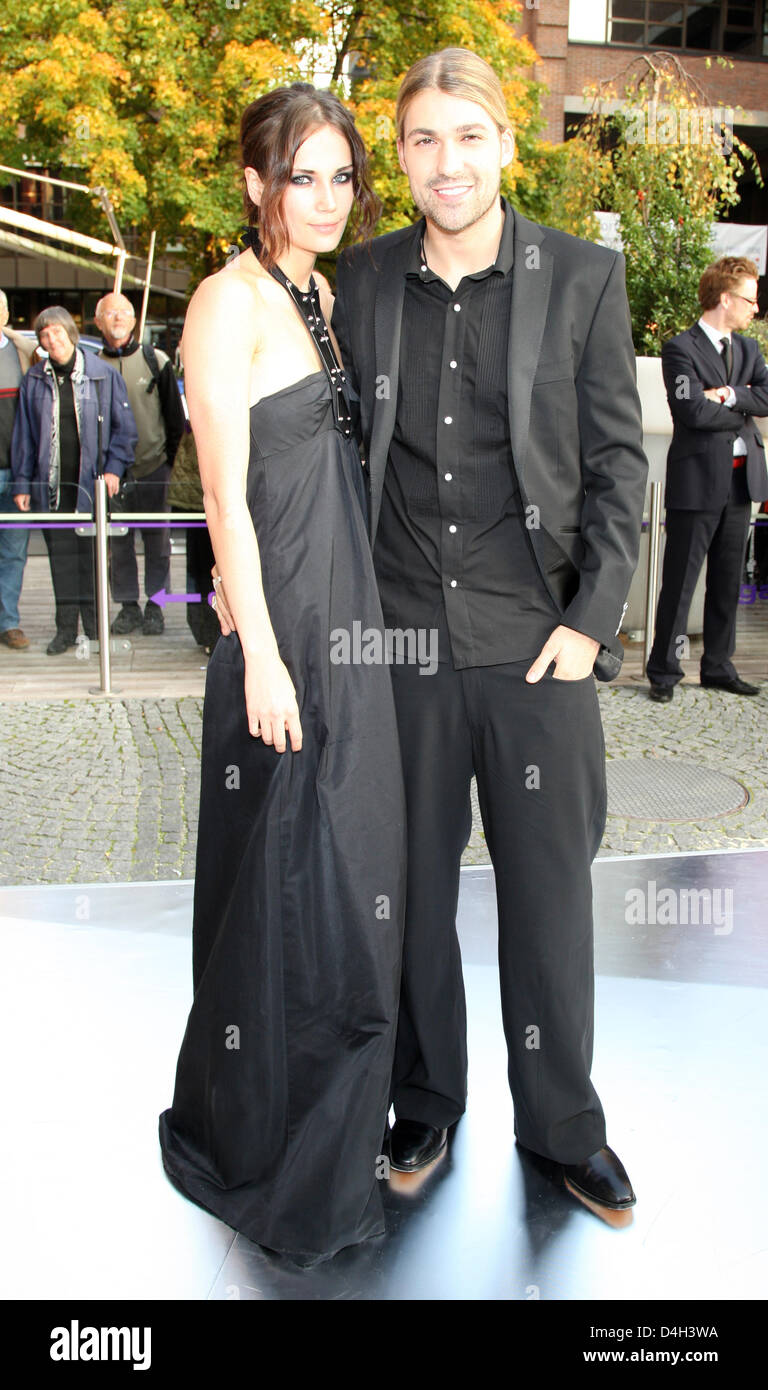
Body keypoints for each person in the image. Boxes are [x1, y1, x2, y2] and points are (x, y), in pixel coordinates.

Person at [217, 49, 648, 1215]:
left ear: (508, 144)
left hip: (536, 647)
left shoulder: (584, 277)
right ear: (397, 159)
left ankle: (563, 1124)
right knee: (396, 895)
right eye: (421, 141)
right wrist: (244, 579)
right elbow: (270, 414)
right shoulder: (353, 279)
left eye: (468, 137)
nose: (447, 162)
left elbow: (619, 466)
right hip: (395, 647)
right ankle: (425, 1102)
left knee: (549, 896)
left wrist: (592, 620)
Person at [158, 85, 406, 1265]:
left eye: (340, 175)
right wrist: (258, 651)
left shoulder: (322, 293)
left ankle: (333, 1128)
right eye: (299, 174)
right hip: (285, 637)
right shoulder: (225, 300)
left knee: (347, 878)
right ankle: (273, 1147)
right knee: (289, 894)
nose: (322, 197)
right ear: (256, 181)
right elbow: (223, 495)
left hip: (346, 620)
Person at [647, 257, 768, 701]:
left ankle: (718, 666)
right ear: (725, 298)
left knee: (727, 582)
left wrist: (730, 395)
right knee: (679, 581)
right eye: (751, 300)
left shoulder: (750, 351)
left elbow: (767, 398)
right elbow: (690, 411)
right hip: (697, 483)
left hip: (741, 485)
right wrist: (742, 407)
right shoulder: (679, 348)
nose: (756, 309)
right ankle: (663, 672)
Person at [12, 307, 136, 654]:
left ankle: (96, 632)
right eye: (44, 335)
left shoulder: (102, 375)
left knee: (93, 562)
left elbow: (124, 431)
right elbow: (23, 436)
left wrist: (114, 468)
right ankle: (65, 630)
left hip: (92, 489)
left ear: (70, 332)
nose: (52, 340)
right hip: (52, 491)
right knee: (61, 563)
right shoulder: (34, 379)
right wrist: (22, 483)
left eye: (56, 332)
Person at [94, 293, 185, 636]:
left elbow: (175, 420)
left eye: (124, 313)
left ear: (134, 321)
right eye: (110, 313)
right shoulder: (93, 364)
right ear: (98, 321)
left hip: (154, 467)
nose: (117, 318)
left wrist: (171, 467)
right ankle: (128, 606)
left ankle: (156, 605)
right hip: (111, 475)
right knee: (118, 543)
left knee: (157, 543)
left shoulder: (155, 360)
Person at [0, 289, 37, 650]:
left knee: (13, 552)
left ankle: (8, 622)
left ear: (6, 314)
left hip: (17, 473)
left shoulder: (21, 353)